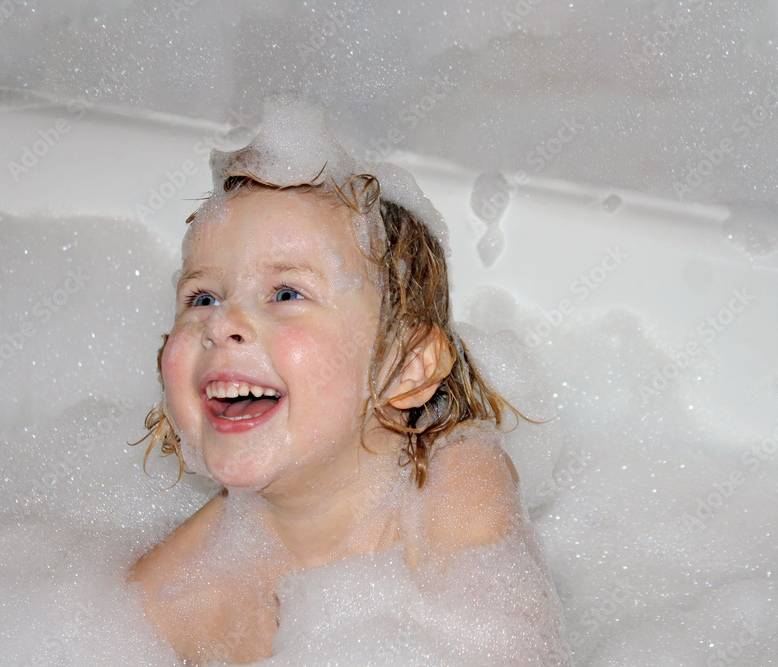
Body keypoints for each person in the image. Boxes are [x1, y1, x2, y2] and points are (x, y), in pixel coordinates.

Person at [128, 98, 571, 665]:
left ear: (406, 368)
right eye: (202, 297)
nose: (221, 325)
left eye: (286, 293)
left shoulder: (452, 486)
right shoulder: (165, 597)